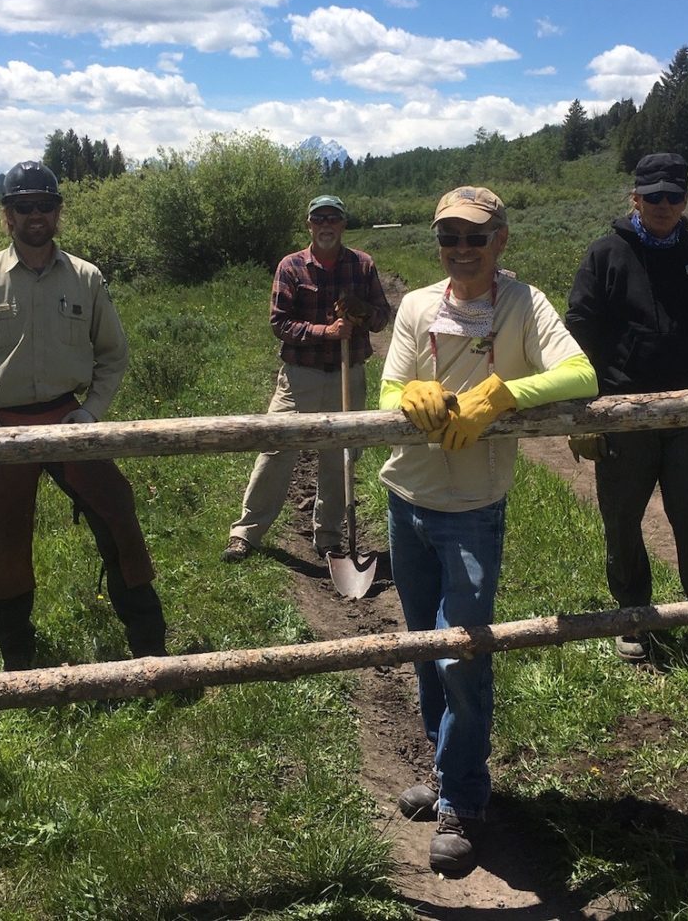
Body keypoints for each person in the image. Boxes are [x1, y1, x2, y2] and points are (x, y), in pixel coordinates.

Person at [380, 186, 598, 874]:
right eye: (450, 237)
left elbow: (581, 373)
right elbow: (389, 389)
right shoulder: (417, 305)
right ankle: (446, 775)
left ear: (501, 239)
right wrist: (407, 396)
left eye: (475, 236)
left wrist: (505, 391)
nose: (461, 249)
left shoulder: (524, 304)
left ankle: (465, 800)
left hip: (473, 506)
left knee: (462, 653)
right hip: (406, 495)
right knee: (425, 647)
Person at [0, 161, 166, 670]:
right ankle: (18, 660)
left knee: (118, 515)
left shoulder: (85, 278)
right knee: (2, 537)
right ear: (6, 216)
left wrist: (91, 412)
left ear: (58, 213)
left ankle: (150, 648)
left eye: (44, 206)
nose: (35, 215)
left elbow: (113, 354)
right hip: (3, 425)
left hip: (65, 418)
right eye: (23, 207)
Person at [564, 153, 688, 673]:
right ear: (634, 198)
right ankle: (632, 618)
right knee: (621, 519)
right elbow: (580, 335)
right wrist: (583, 417)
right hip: (621, 413)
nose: (664, 206)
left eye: (674, 196)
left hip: (687, 414)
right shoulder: (605, 255)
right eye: (654, 196)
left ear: (686, 199)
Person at [221, 194, 390, 562]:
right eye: (319, 219)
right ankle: (246, 532)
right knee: (277, 447)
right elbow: (278, 323)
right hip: (300, 376)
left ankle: (328, 536)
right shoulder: (292, 267)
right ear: (309, 225)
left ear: (343, 225)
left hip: (348, 373)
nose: (326, 225)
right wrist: (324, 332)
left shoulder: (362, 265)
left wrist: (362, 313)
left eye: (333, 218)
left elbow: (381, 317)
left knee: (340, 454)